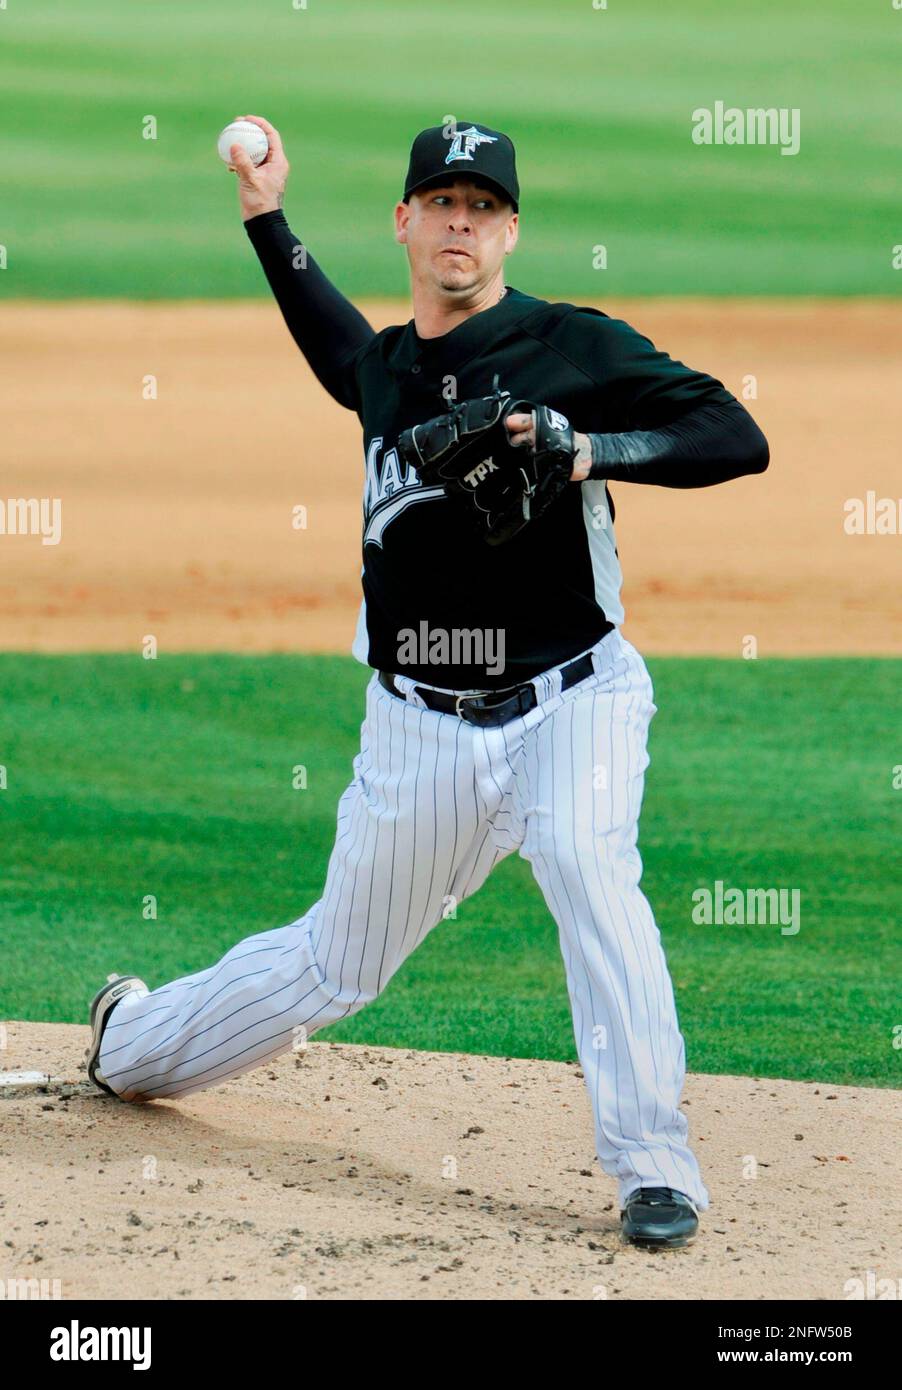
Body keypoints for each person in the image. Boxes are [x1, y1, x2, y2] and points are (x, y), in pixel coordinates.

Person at [85, 117, 769, 1251]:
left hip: (572, 698)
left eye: (483, 206)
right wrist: (265, 212)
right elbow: (331, 345)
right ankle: (130, 1043)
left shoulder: (569, 344)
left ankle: (656, 1168)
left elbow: (731, 434)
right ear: (404, 222)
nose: (462, 222)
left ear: (509, 230)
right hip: (418, 731)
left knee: (585, 864)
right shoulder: (388, 367)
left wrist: (585, 448)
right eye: (441, 202)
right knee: (331, 964)